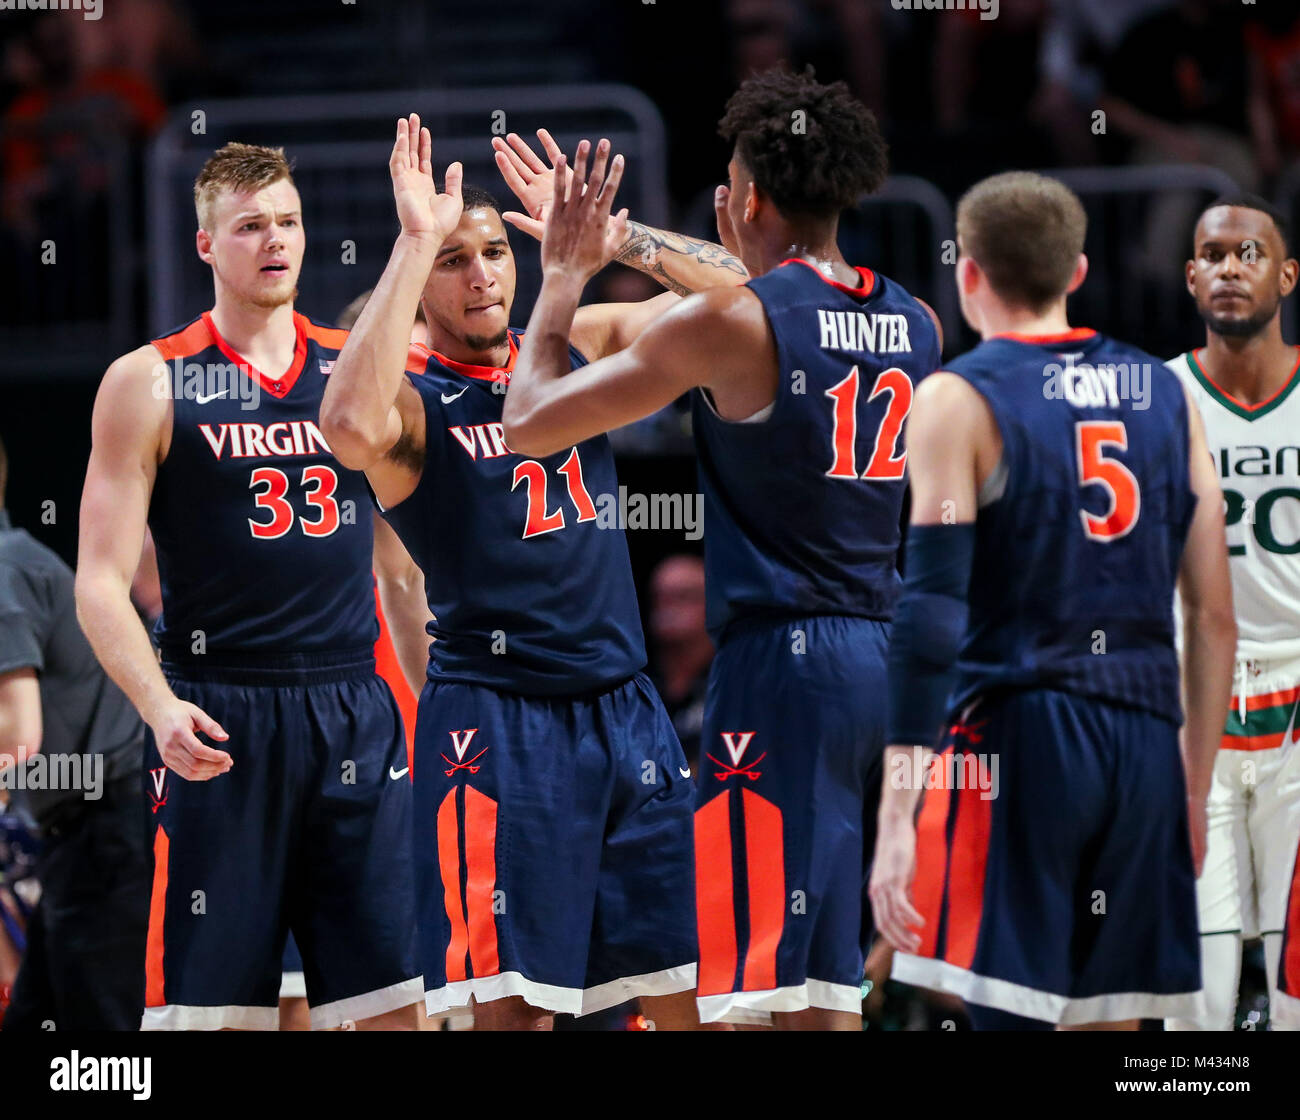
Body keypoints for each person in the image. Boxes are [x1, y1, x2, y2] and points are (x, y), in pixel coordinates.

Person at [502, 67, 941, 1029]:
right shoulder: (916, 320)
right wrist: (627, 241)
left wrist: (569, 272)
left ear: (742, 197)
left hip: (781, 667)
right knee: (826, 983)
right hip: (887, 658)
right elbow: (764, 286)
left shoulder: (729, 324)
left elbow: (529, 421)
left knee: (755, 992)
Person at [319, 114, 749, 1031]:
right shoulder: (416, 402)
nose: (481, 273)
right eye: (454, 260)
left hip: (625, 705)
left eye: (492, 252)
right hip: (498, 719)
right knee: (512, 1009)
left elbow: (742, 293)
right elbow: (347, 427)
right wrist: (413, 238)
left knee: (683, 990)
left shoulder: (573, 341)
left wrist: (612, 239)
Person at [868, 171, 1237, 1030]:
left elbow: (930, 619)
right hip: (1145, 738)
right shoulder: (1165, 391)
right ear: (1077, 270)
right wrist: (1192, 791)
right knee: (1112, 1022)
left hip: (1025, 736)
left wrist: (897, 816)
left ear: (968, 276)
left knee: (1006, 1009)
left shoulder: (956, 396)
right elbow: (1214, 615)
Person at [74, 142, 422, 1031]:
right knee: (215, 1016)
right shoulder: (149, 380)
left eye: (290, 223)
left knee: (391, 1005)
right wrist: (157, 708)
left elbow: (402, 563)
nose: (276, 242)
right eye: (251, 226)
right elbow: (102, 584)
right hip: (221, 709)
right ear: (206, 246)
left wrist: (437, 695)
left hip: (351, 703)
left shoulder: (355, 367)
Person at [1164, 195, 1300, 1031]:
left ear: (1285, 275)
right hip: (1192, 721)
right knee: (1199, 1004)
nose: (1230, 267)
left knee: (1292, 999)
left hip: (1297, 717)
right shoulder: (1156, 398)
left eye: (1250, 253)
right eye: (1212, 254)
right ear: (1189, 276)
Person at [0, 433, 150, 1031]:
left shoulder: (5, 571)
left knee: (107, 1045)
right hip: (85, 832)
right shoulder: (17, 557)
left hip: (111, 831)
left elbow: (17, 735)